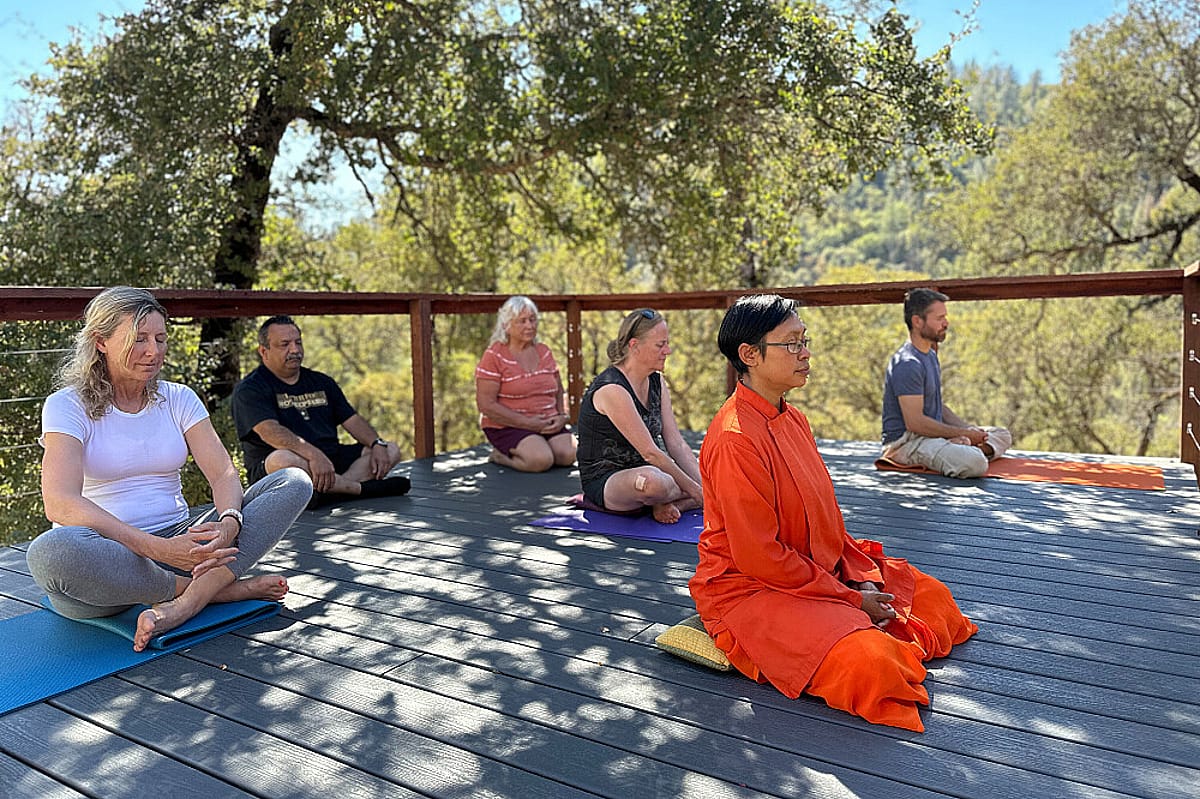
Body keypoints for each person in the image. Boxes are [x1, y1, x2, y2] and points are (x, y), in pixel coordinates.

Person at [688, 294, 978, 732]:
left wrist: (859, 573)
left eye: (805, 341)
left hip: (818, 569)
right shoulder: (735, 439)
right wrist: (852, 600)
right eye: (791, 344)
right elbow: (759, 559)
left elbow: (824, 517)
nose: (805, 354)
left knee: (935, 599)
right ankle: (860, 627)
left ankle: (862, 620)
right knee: (874, 667)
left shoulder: (794, 418)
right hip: (752, 588)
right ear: (749, 355)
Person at [26, 287, 312, 652]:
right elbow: (60, 503)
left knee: (293, 482)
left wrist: (229, 522)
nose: (154, 351)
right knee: (50, 553)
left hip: (183, 545)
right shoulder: (67, 405)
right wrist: (159, 550)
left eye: (161, 338)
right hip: (106, 567)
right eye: (139, 339)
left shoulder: (178, 398)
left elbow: (223, 473)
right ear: (101, 342)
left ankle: (186, 604)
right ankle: (216, 591)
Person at [231, 315, 410, 506]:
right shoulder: (251, 388)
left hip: (330, 460)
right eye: (284, 344)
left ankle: (331, 492)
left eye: (298, 342)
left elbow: (352, 420)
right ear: (264, 351)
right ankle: (357, 489)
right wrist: (313, 455)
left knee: (390, 450)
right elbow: (270, 431)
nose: (295, 350)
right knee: (282, 459)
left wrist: (376, 443)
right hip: (285, 464)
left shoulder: (321, 382)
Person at [576, 308, 703, 524]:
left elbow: (676, 444)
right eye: (660, 345)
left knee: (714, 475)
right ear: (634, 346)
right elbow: (651, 453)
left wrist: (705, 484)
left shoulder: (657, 381)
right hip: (611, 481)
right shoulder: (612, 389)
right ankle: (676, 498)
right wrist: (701, 494)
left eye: (667, 343)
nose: (668, 350)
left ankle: (672, 504)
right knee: (654, 483)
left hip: (652, 470)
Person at [881, 288, 1013, 478]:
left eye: (945, 317)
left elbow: (937, 406)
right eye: (939, 318)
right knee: (975, 463)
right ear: (917, 321)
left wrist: (968, 429)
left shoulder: (930, 355)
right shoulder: (907, 363)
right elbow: (915, 423)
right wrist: (959, 435)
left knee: (1002, 434)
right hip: (907, 444)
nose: (946, 323)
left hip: (932, 437)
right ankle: (964, 450)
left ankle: (961, 448)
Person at [474, 296, 576, 472]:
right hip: (508, 425)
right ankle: (500, 456)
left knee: (569, 454)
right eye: (522, 321)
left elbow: (559, 390)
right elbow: (486, 405)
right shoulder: (494, 355)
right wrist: (527, 423)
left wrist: (561, 416)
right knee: (540, 460)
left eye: (532, 319)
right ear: (506, 325)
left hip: (547, 421)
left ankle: (540, 443)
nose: (529, 325)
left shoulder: (544, 351)